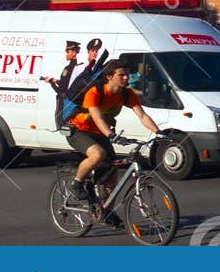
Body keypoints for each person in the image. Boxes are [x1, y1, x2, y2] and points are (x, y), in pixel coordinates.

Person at [69, 61, 160, 209]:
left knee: (111, 177)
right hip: (80, 130)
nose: (126, 78)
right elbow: (97, 117)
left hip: (101, 133)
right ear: (109, 76)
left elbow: (142, 116)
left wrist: (159, 132)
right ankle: (77, 183)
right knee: (98, 154)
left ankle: (105, 212)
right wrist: (110, 135)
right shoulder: (95, 92)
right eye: (121, 75)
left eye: (127, 75)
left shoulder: (126, 94)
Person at [41, 41, 80, 130]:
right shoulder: (77, 67)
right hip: (72, 101)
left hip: (64, 101)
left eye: (68, 52)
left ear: (74, 53)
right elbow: (68, 82)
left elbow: (61, 90)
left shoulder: (68, 68)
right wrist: (56, 80)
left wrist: (51, 82)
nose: (66, 54)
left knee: (61, 125)